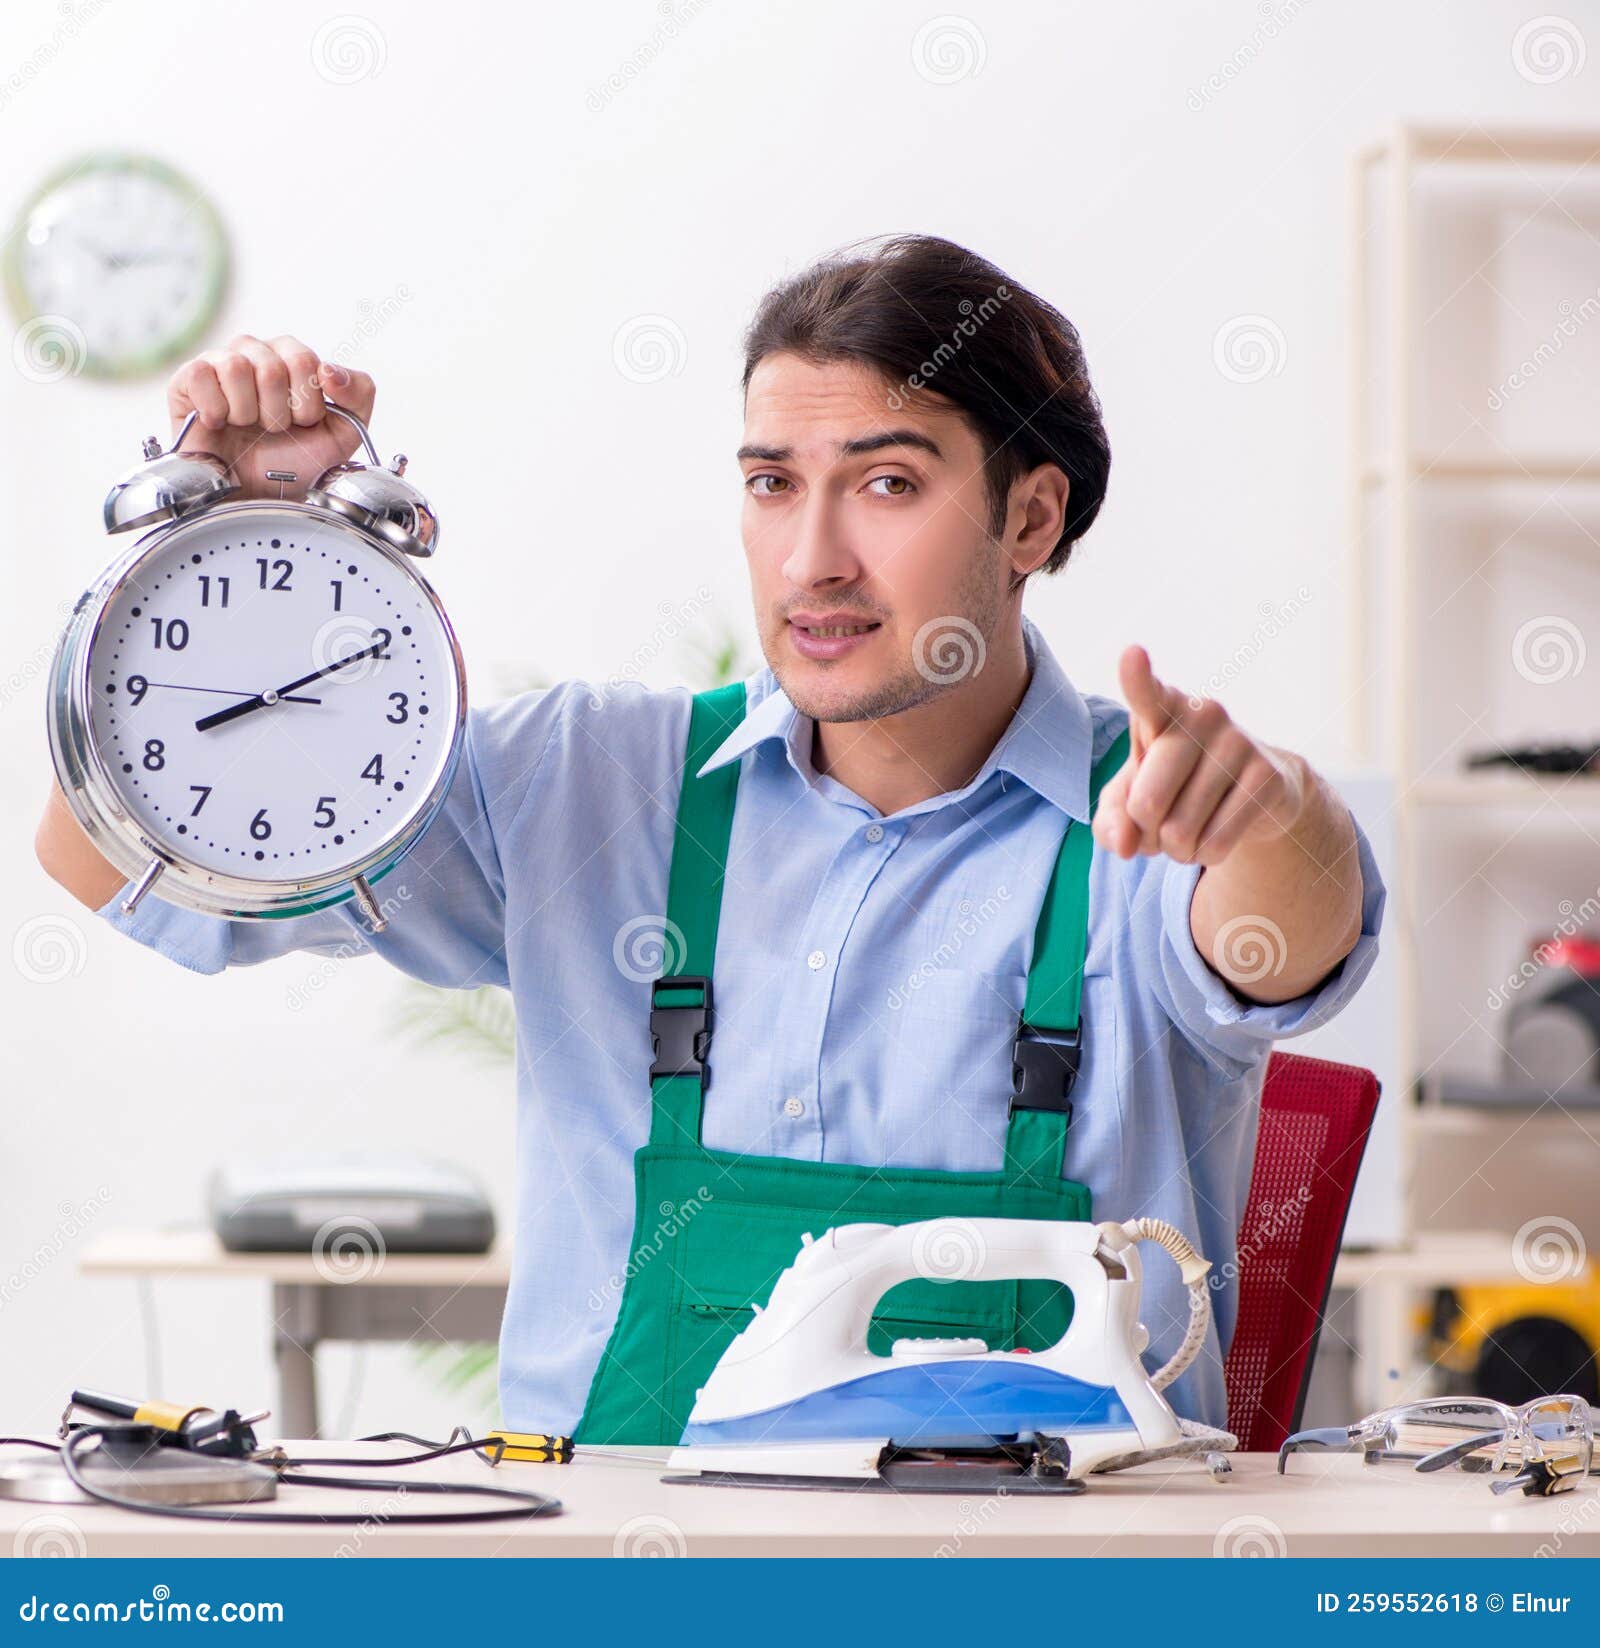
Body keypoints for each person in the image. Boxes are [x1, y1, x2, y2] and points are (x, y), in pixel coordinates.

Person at [36, 234, 1384, 1441]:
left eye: (887, 485)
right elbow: (100, 854)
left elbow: (1295, 925)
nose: (811, 560)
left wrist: (1277, 816)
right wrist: (220, 544)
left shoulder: (1150, 820)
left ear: (1030, 515)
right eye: (769, 482)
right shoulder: (586, 784)